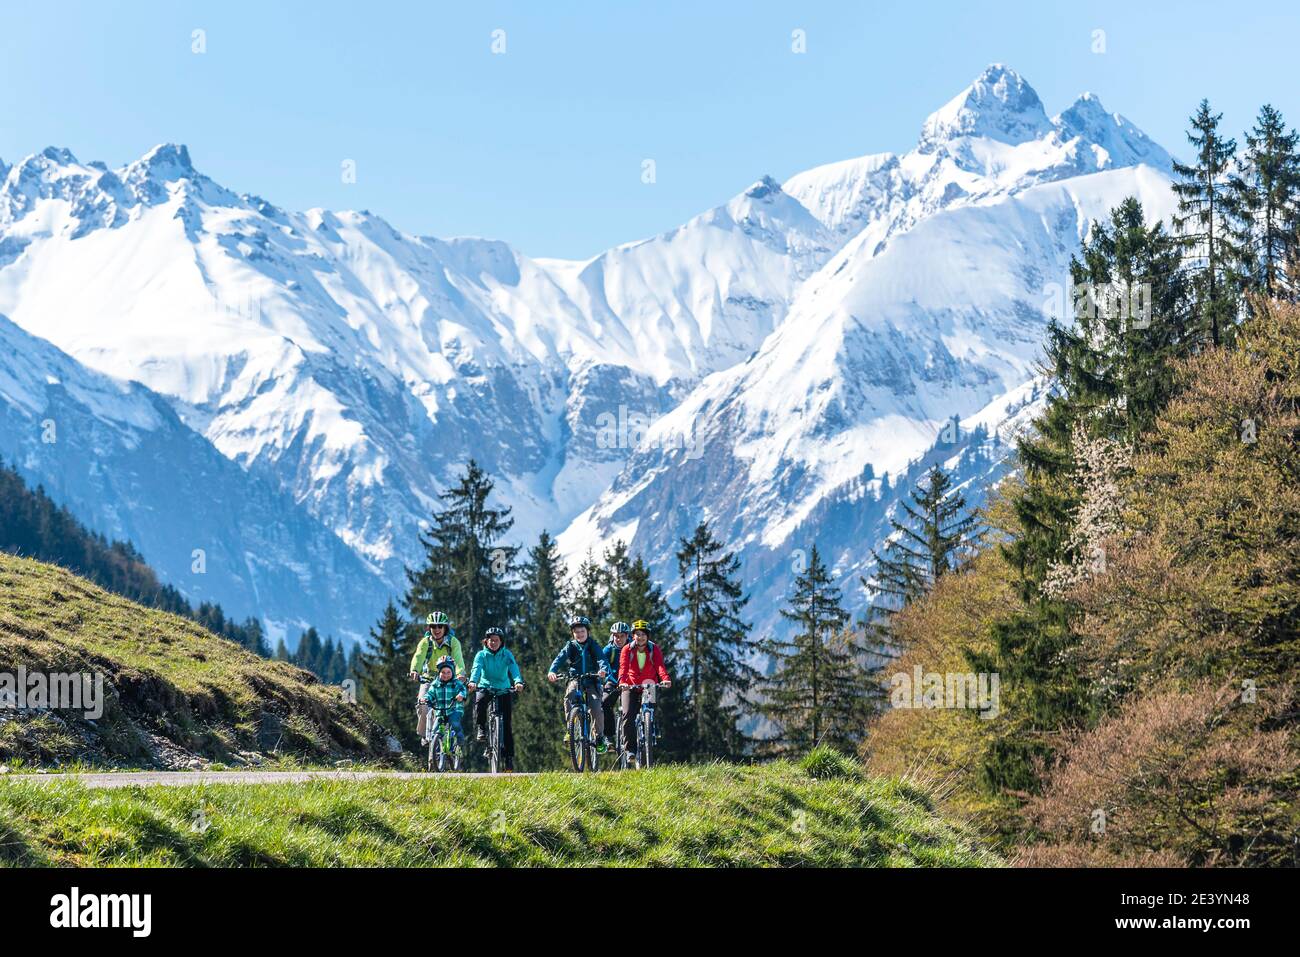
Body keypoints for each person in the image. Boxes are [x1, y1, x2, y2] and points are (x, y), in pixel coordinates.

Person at [547, 614, 611, 752]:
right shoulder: (570, 646)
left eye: (582, 631)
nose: (579, 634)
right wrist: (552, 671)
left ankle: (599, 737)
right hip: (575, 679)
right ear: (572, 633)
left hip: (592, 680)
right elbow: (560, 658)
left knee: (596, 707)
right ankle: (571, 729)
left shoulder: (593, 645)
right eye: (576, 632)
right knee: (569, 696)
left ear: (587, 631)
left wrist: (603, 670)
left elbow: (602, 659)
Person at [467, 626, 525, 772]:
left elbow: (514, 669)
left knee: (507, 726)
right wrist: (473, 682)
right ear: (486, 642)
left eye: (496, 640)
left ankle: (508, 759)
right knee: (479, 701)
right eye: (490, 640)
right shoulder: (481, 655)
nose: (493, 643)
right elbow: (476, 669)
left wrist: (518, 682)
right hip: (485, 686)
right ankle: (481, 727)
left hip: (504, 688)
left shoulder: (507, 654)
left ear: (501, 642)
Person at [618, 619, 671, 761]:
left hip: (649, 683)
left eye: (643, 634)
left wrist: (665, 679)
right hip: (631, 684)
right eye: (637, 634)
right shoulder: (627, 649)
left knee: (651, 707)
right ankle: (630, 750)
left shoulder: (654, 649)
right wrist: (622, 682)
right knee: (628, 715)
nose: (640, 637)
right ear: (633, 635)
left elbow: (660, 666)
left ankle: (652, 724)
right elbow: (623, 668)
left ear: (648, 636)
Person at [409, 611, 466, 739]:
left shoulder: (453, 642)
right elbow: (418, 657)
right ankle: (425, 735)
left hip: (448, 678)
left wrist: (460, 673)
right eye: (433, 626)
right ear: (429, 628)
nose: (437, 629)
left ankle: (452, 737)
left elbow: (458, 659)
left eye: (440, 626)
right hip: (428, 678)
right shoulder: (425, 642)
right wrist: (414, 671)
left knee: (451, 707)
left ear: (445, 627)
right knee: (423, 704)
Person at [422, 655, 468, 754]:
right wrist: (425, 699)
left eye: (448, 672)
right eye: (443, 672)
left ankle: (459, 737)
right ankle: (437, 752)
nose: (446, 675)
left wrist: (461, 695)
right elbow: (430, 694)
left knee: (454, 722)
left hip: (454, 709)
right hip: (441, 711)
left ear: (453, 672)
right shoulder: (435, 684)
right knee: (435, 731)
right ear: (439, 673)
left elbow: (463, 690)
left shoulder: (456, 683)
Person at [602, 621, 633, 747]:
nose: (619, 639)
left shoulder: (633, 647)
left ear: (627, 636)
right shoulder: (609, 649)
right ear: (612, 636)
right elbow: (599, 661)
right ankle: (609, 736)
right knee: (604, 702)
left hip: (630, 682)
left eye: (622, 636)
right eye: (616, 636)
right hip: (613, 682)